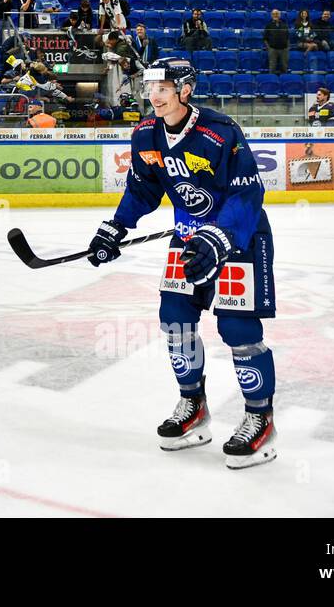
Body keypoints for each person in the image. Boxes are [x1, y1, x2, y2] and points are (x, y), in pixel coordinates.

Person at [86, 58, 278, 469]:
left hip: (238, 240)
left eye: (163, 87)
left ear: (185, 90)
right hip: (189, 238)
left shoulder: (220, 132)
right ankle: (194, 406)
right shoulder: (144, 135)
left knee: (237, 328)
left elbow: (247, 194)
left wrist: (221, 236)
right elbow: (142, 190)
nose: (153, 95)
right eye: (150, 87)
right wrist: (115, 227)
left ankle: (260, 419)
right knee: (174, 318)